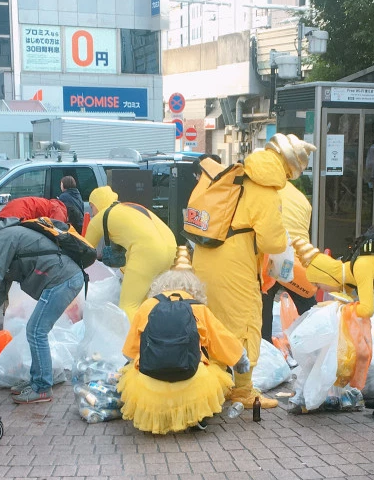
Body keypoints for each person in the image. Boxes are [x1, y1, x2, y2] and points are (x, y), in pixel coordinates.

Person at [193, 140, 304, 407]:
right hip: (234, 265)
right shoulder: (265, 191)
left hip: (205, 255)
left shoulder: (235, 176)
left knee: (213, 322)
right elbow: (272, 243)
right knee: (245, 324)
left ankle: (215, 384)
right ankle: (242, 390)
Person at [0, 213, 84, 404]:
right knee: (35, 330)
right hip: (61, 279)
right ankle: (37, 381)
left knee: (36, 331)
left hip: (61, 279)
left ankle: (42, 388)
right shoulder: (1, 237)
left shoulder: (0, 239)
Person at [118, 261, 250, 435]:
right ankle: (198, 415)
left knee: (136, 371)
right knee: (216, 369)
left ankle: (157, 418)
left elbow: (130, 351)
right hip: (192, 378)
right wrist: (241, 360)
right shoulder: (198, 309)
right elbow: (223, 342)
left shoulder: (147, 307)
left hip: (150, 384)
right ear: (194, 288)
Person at [84, 186, 178, 320]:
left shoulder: (100, 217)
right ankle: (158, 336)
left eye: (92, 207)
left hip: (147, 252)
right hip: (171, 248)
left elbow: (84, 250)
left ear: (98, 203)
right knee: (150, 302)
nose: (92, 212)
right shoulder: (129, 207)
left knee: (129, 305)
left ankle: (132, 340)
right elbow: (135, 242)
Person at [262, 134, 317, 341]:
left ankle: (264, 349)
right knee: (308, 309)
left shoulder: (265, 188)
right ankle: (315, 346)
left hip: (269, 259)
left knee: (263, 309)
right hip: (296, 261)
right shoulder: (302, 199)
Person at [0, 196, 69, 224]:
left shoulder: (51, 204)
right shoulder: (59, 211)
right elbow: (57, 232)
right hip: (21, 214)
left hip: (14, 206)